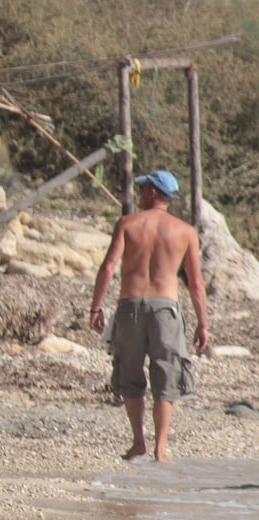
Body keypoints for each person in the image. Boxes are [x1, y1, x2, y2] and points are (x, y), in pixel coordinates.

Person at [89, 169, 208, 463]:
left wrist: (96, 307)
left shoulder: (128, 224)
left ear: (152, 192)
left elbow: (108, 267)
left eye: (143, 189)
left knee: (130, 374)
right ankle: (161, 449)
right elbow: (195, 283)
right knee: (166, 376)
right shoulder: (185, 231)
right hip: (166, 309)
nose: (140, 194)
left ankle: (138, 442)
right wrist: (202, 323)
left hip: (130, 306)